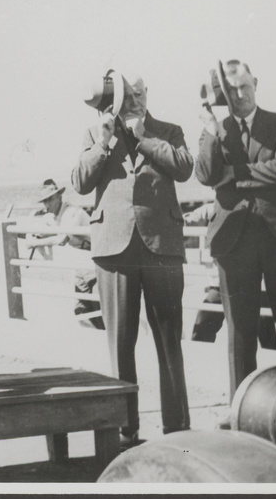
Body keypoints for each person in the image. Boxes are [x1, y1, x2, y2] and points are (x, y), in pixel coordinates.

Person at [71, 71, 193, 445]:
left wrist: (144, 138)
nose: (136, 100)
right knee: (120, 342)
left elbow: (185, 167)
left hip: (162, 246)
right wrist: (105, 141)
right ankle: (126, 427)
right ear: (117, 98)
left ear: (147, 93)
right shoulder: (96, 133)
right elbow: (79, 182)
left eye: (141, 93)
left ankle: (176, 426)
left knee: (170, 340)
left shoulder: (168, 130)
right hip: (114, 248)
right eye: (129, 95)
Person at [195, 59, 276, 419]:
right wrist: (210, 131)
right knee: (239, 337)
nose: (240, 94)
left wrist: (234, 174)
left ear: (256, 82)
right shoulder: (217, 129)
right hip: (234, 246)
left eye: (245, 86)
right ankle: (240, 417)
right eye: (231, 89)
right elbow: (205, 175)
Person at [185, 202, 276, 350]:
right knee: (203, 325)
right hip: (221, 284)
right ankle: (199, 360)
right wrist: (180, 220)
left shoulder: (256, 207)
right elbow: (191, 218)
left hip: (253, 283)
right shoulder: (214, 207)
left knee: (266, 332)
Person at [24, 179, 101, 329]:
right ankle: (95, 343)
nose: (47, 205)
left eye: (50, 199)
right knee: (81, 310)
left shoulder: (73, 212)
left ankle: (108, 343)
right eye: (44, 201)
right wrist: (34, 236)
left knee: (99, 309)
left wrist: (35, 243)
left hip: (97, 265)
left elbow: (61, 239)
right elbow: (34, 231)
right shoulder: (51, 217)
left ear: (59, 197)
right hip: (80, 267)